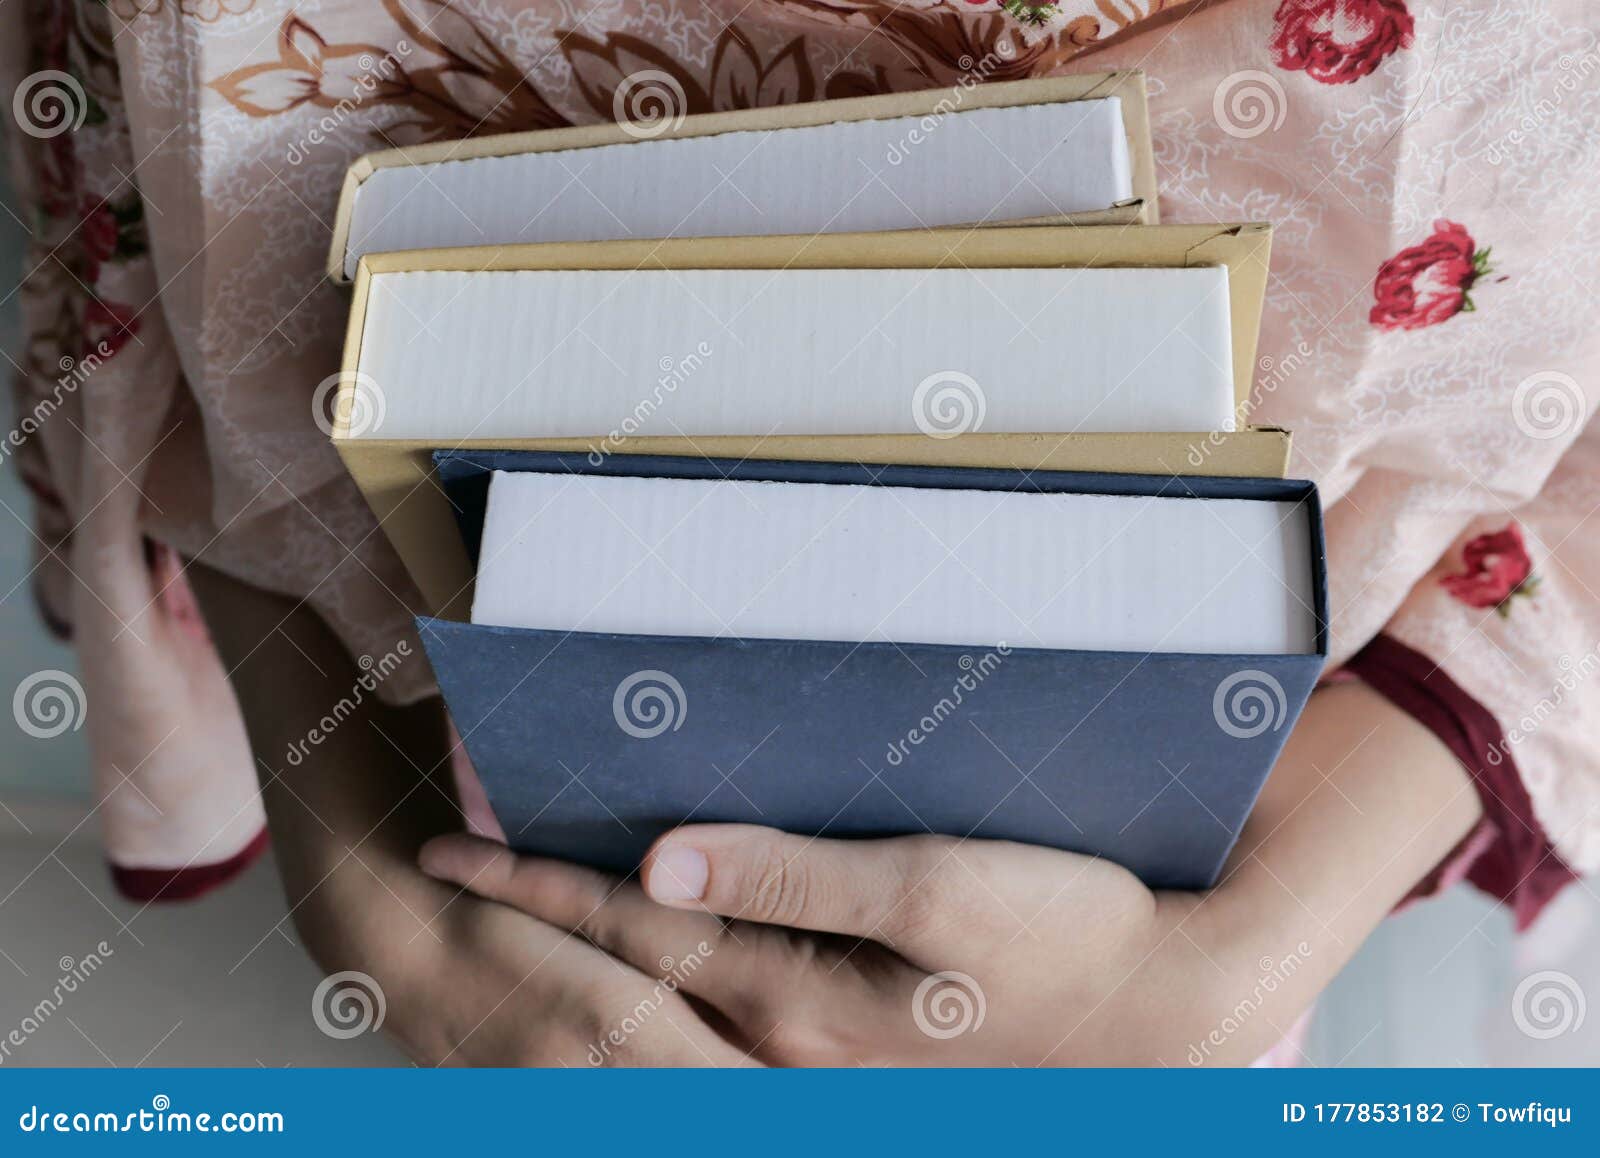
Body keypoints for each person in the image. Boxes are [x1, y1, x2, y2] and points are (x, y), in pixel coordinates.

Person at [5, 0, 1594, 1065]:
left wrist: (1238, 954)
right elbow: (146, 157)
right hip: (453, 793)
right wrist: (372, 879)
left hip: (1211, 844)